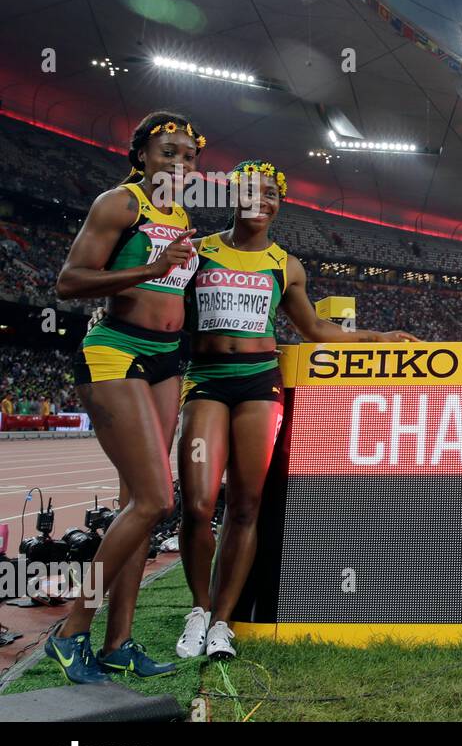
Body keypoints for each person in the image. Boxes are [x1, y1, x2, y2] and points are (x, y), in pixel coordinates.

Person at [175, 160, 416, 661]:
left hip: (260, 385)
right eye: (251, 192)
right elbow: (159, 303)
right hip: (206, 382)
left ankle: (223, 622)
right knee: (198, 505)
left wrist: (376, 337)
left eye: (271, 195)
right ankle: (197, 611)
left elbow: (315, 331)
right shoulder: (200, 253)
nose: (261, 202)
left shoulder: (286, 264)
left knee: (245, 506)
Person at [47, 111, 203, 683]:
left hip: (167, 361)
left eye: (188, 155)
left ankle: (119, 643)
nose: (179, 163)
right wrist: (153, 268)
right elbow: (69, 281)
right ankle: (69, 632)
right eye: (167, 152)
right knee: (156, 502)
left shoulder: (181, 215)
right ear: (141, 156)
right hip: (116, 351)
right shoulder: (120, 203)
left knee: (138, 510)